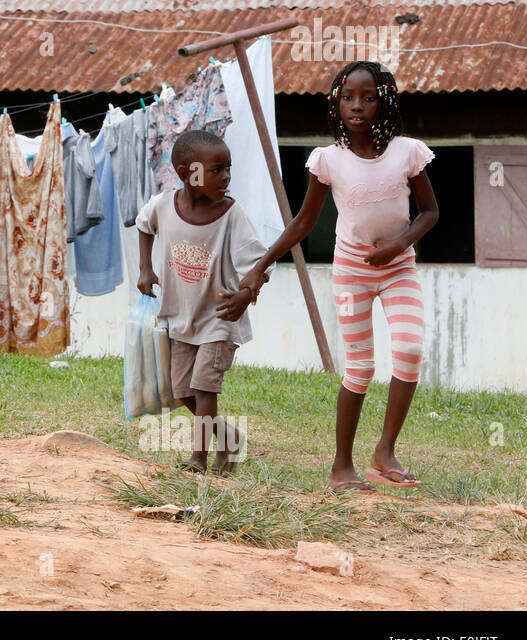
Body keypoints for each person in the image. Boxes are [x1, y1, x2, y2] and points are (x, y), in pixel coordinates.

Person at [239, 61, 438, 492]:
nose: (358, 106)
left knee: (409, 348)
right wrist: (260, 266)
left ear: (384, 103)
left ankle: (385, 452)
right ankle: (341, 468)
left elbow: (431, 212)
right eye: (348, 97)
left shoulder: (408, 152)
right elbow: (304, 222)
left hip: (398, 269)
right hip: (351, 273)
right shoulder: (327, 160)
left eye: (369, 98)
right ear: (336, 104)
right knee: (361, 368)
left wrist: (399, 243)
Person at [136, 129, 267, 475]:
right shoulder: (164, 205)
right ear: (186, 174)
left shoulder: (231, 214)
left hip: (219, 320)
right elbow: (143, 224)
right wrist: (145, 269)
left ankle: (199, 457)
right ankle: (229, 439)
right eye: (216, 170)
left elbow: (258, 264)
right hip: (181, 317)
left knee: (203, 388)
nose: (226, 177)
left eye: (228, 169)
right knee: (183, 393)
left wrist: (246, 293)